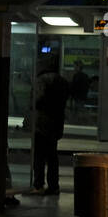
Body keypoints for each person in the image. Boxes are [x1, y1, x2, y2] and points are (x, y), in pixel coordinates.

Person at [32, 61, 70, 193]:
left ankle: (38, 184)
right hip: (56, 123)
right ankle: (54, 185)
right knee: (52, 156)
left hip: (42, 123)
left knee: (39, 155)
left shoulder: (41, 80)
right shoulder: (62, 81)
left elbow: (37, 100)